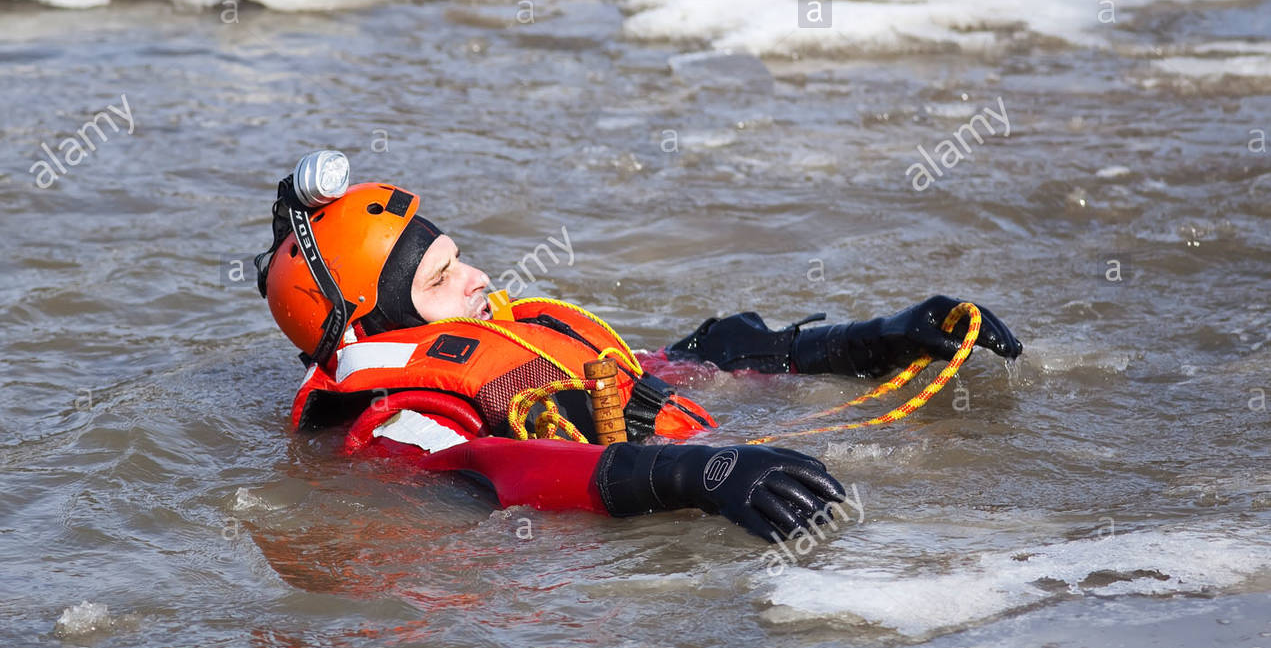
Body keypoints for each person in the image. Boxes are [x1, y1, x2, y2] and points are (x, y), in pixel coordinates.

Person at [255, 152, 1023, 542]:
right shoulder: (396, 423)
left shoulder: (507, 335)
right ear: (378, 325)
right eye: (442, 278)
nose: (479, 279)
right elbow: (482, 470)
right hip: (666, 512)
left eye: (461, 256)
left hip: (741, 468)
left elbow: (673, 369)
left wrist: (874, 338)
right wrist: (692, 473)